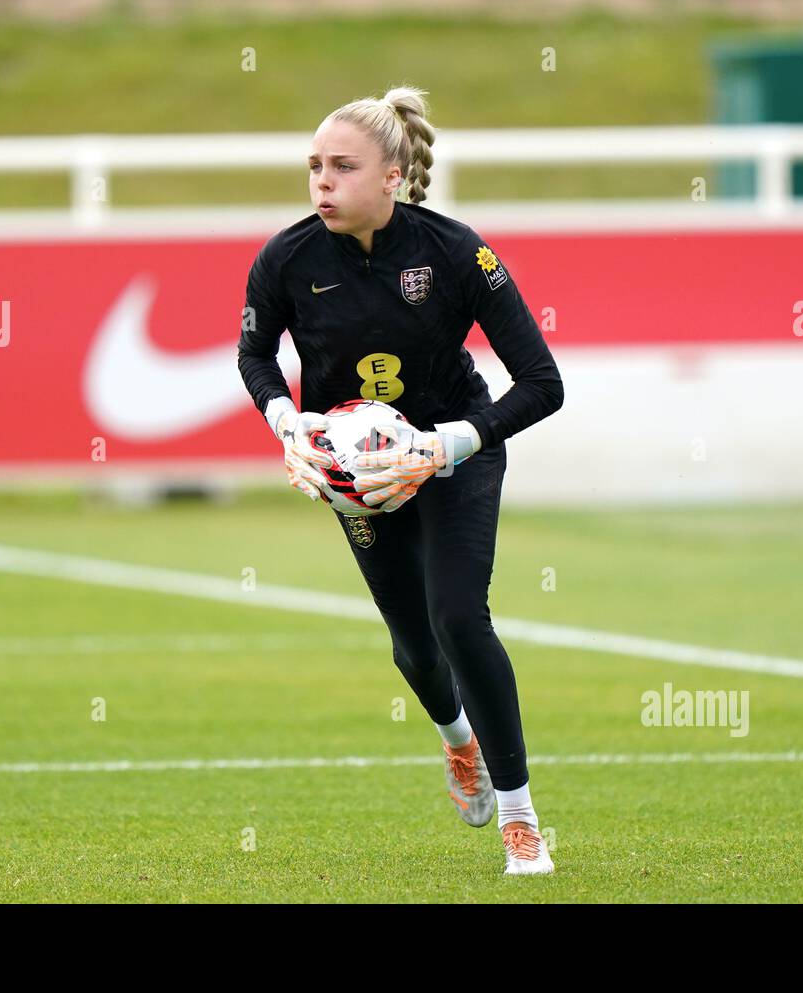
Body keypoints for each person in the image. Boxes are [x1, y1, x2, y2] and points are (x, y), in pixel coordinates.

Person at [237, 85, 564, 875]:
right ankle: (460, 744)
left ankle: (521, 820)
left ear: (393, 175)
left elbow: (542, 382)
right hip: (358, 477)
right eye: (313, 165)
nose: (321, 181)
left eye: (342, 167)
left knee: (458, 616)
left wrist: (447, 444)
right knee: (414, 649)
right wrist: (290, 424)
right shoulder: (284, 258)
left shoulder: (456, 252)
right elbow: (253, 355)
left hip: (454, 454)